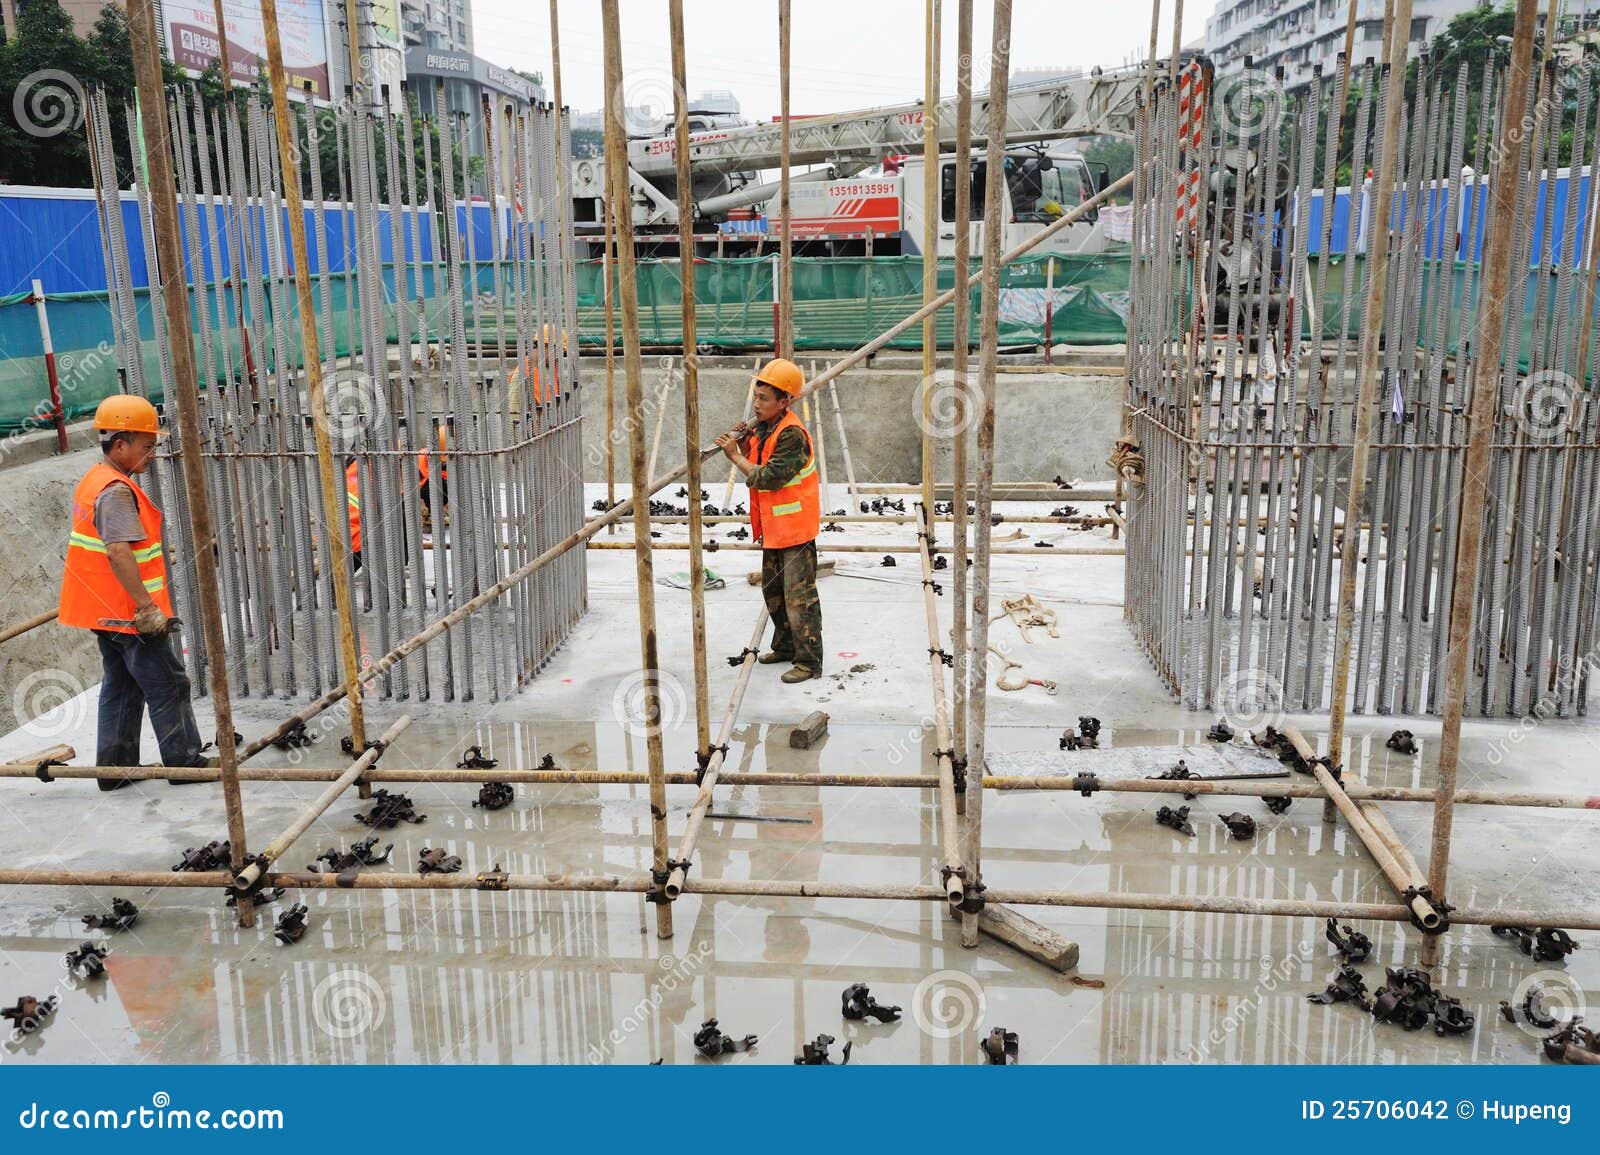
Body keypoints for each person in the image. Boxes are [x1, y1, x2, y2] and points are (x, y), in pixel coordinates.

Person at [58, 395, 209, 790]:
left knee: (122, 687)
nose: (153, 454)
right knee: (169, 684)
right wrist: (147, 608)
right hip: (129, 614)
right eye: (146, 446)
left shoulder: (95, 479)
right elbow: (117, 552)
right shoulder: (117, 491)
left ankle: (114, 770)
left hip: (103, 610)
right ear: (120, 444)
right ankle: (185, 763)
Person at [714, 358, 823, 683]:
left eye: (764, 398)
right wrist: (746, 440)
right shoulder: (766, 426)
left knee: (799, 597)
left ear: (785, 401)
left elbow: (769, 477)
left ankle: (809, 661)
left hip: (795, 529)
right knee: (773, 593)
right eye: (756, 396)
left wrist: (735, 455)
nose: (756, 404)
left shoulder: (792, 435)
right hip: (775, 528)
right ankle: (786, 646)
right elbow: (759, 454)